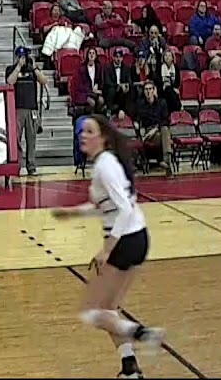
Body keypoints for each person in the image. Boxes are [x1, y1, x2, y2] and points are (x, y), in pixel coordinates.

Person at [52, 115, 164, 379]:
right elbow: (106, 206)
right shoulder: (104, 164)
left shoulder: (105, 165)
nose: (83, 135)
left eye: (89, 131)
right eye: (82, 131)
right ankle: (130, 369)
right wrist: (72, 214)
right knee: (108, 310)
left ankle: (146, 335)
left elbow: (125, 209)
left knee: (93, 312)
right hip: (135, 238)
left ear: (102, 137)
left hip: (127, 240)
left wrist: (107, 250)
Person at [7, 47, 47, 176]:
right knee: (16, 138)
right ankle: (17, 164)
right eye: (21, 57)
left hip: (32, 108)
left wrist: (34, 67)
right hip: (17, 108)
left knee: (31, 138)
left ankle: (31, 165)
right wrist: (18, 67)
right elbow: (10, 82)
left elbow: (44, 81)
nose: (24, 60)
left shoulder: (32, 70)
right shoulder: (10, 69)